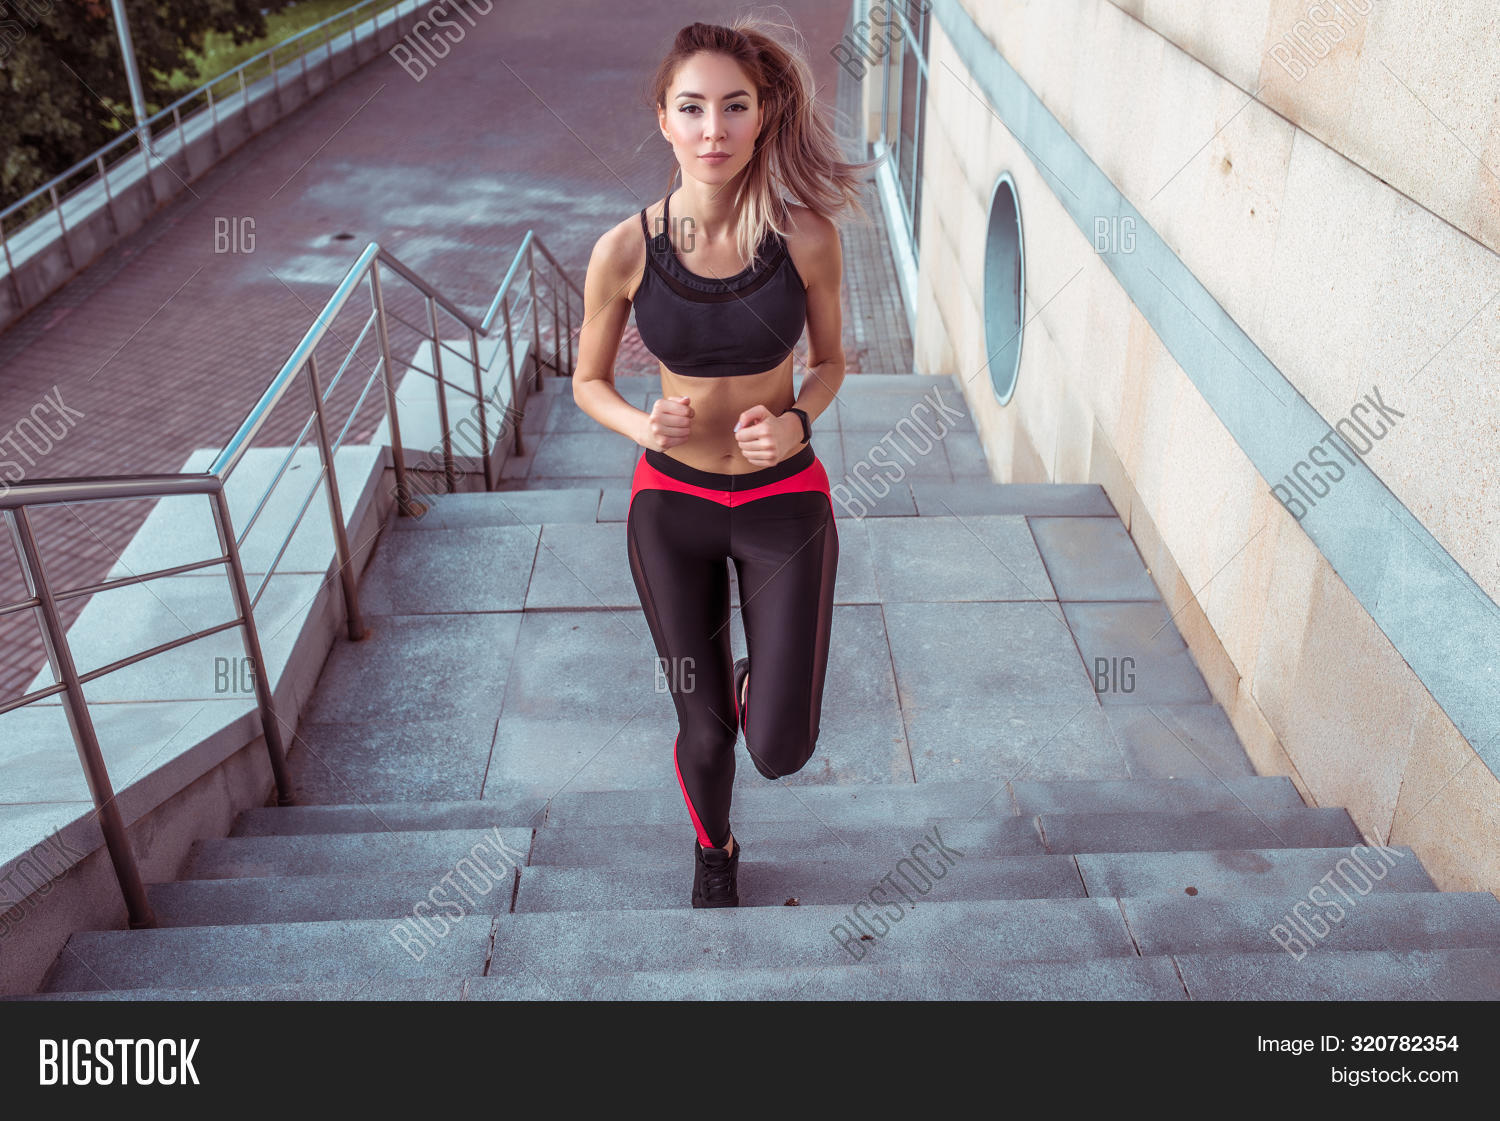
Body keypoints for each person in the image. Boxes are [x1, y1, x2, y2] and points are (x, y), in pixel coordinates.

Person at [572, 17, 875, 907]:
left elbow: (832, 361)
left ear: (763, 114)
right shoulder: (623, 251)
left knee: (780, 747)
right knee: (704, 731)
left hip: (785, 504)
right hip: (674, 508)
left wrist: (799, 423)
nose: (715, 129)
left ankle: (755, 682)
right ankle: (716, 848)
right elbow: (587, 381)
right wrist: (640, 425)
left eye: (735, 107)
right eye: (694, 108)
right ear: (664, 118)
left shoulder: (807, 237)